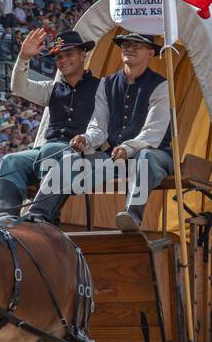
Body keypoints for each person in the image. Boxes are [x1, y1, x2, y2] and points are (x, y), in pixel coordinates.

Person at [70, 32, 174, 232]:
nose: (130, 48)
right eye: (126, 44)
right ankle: (41, 214)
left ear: (150, 53)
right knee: (69, 162)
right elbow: (98, 127)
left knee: (145, 156)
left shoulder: (161, 86)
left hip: (155, 155)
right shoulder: (106, 84)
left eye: (138, 45)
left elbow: (154, 132)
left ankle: (132, 216)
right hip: (116, 158)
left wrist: (128, 147)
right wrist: (86, 139)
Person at [0, 27, 99, 223]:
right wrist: (24, 56)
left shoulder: (101, 87)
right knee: (11, 160)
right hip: (49, 151)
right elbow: (18, 87)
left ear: (83, 54)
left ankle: (44, 218)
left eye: (68, 54)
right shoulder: (51, 89)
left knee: (52, 149)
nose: (63, 60)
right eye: (59, 57)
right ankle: (6, 218)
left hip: (83, 153)